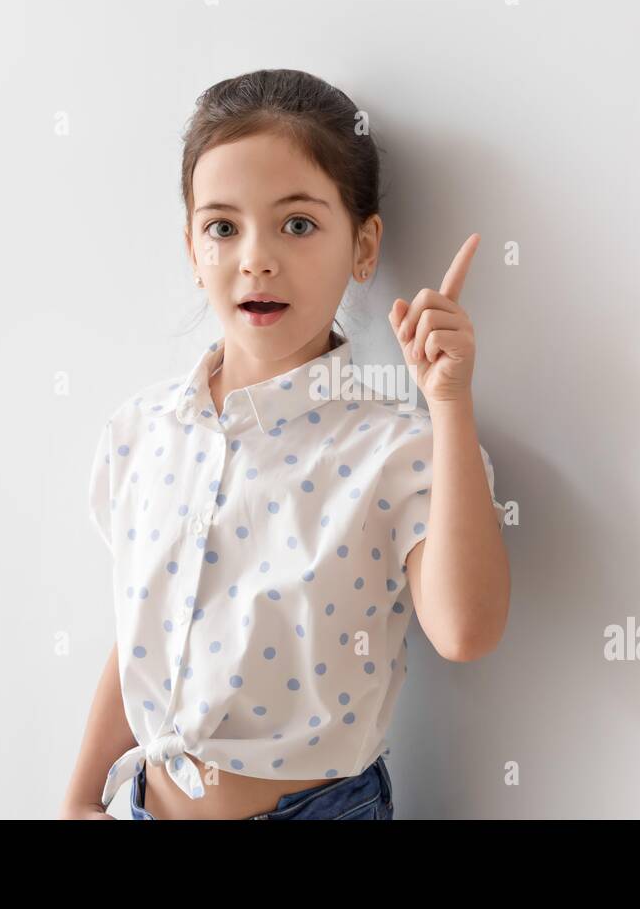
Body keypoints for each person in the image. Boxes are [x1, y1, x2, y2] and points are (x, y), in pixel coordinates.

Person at [59, 68, 509, 820]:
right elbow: (147, 632)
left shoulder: (394, 452)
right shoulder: (141, 433)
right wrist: (79, 798)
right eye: (222, 227)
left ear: (364, 248)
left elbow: (466, 629)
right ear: (192, 247)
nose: (255, 258)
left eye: (297, 225)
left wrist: (449, 402)